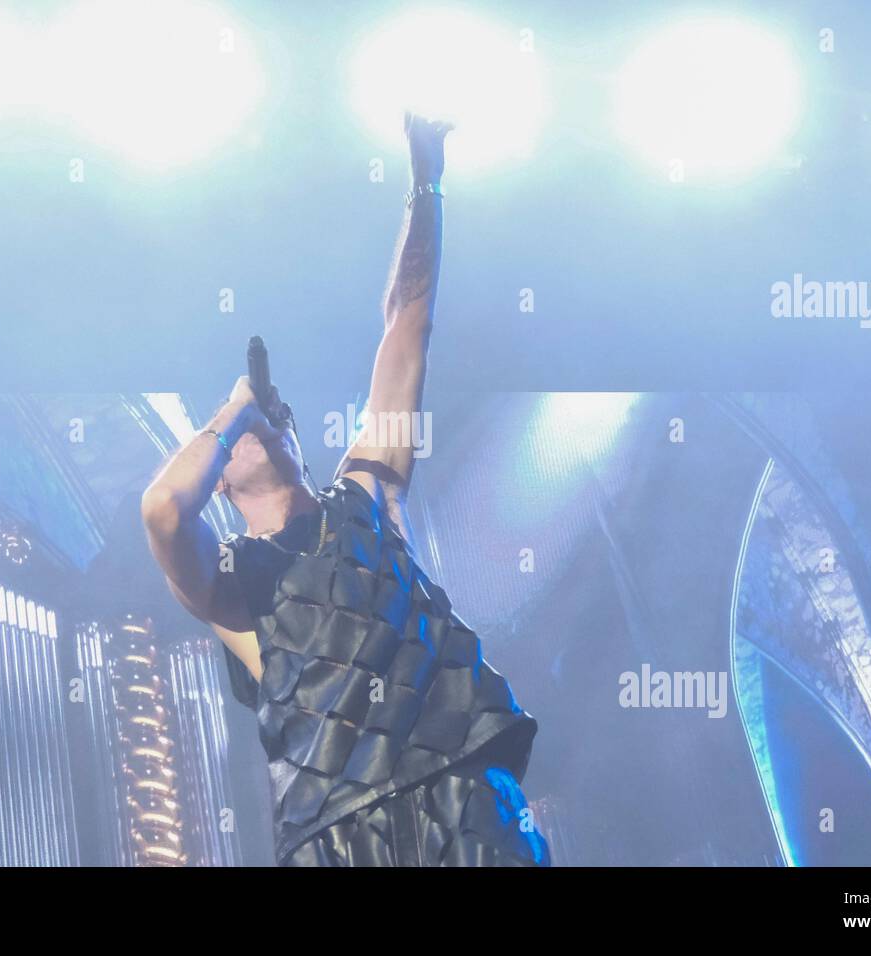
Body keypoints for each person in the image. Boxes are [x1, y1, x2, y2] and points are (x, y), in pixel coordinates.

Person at [142, 113, 548, 867]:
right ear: (220, 476)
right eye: (237, 437)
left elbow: (407, 324)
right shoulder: (233, 587)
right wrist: (233, 414)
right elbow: (163, 509)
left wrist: (425, 180)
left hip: (456, 793)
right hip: (337, 834)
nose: (269, 425)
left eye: (278, 419)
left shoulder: (367, 495)